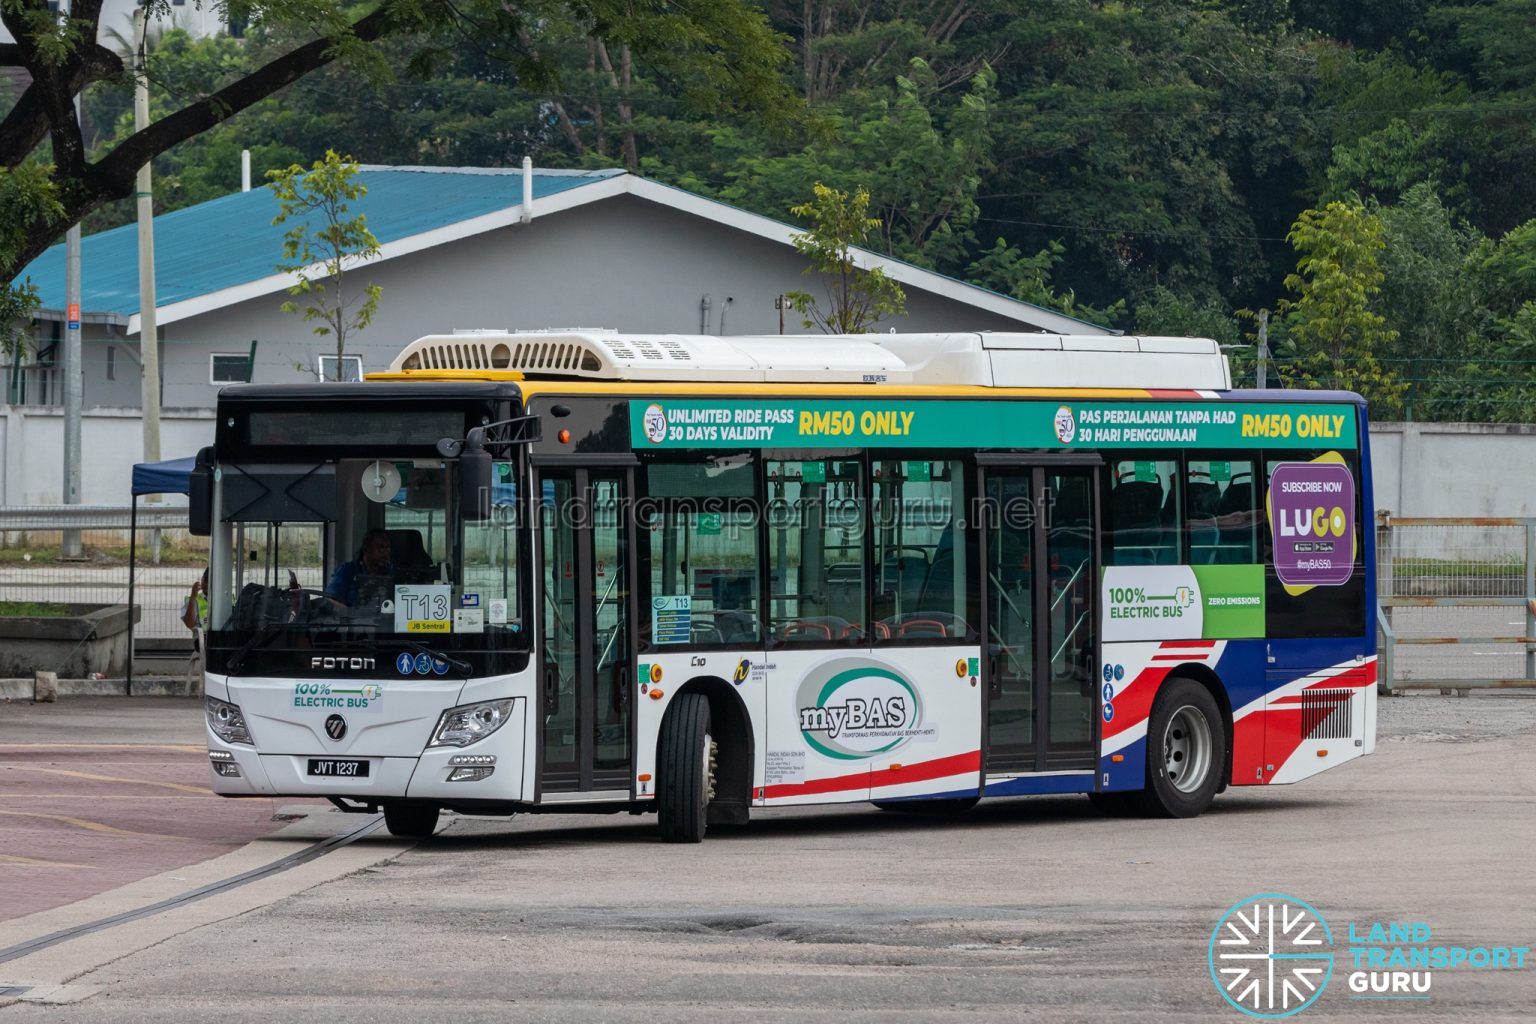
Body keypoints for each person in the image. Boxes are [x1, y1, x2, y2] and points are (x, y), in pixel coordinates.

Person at [326, 529, 394, 606]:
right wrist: (350, 613)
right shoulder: (348, 570)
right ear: (366, 548)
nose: (385, 552)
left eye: (387, 548)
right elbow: (330, 598)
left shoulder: (392, 572)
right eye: (380, 547)